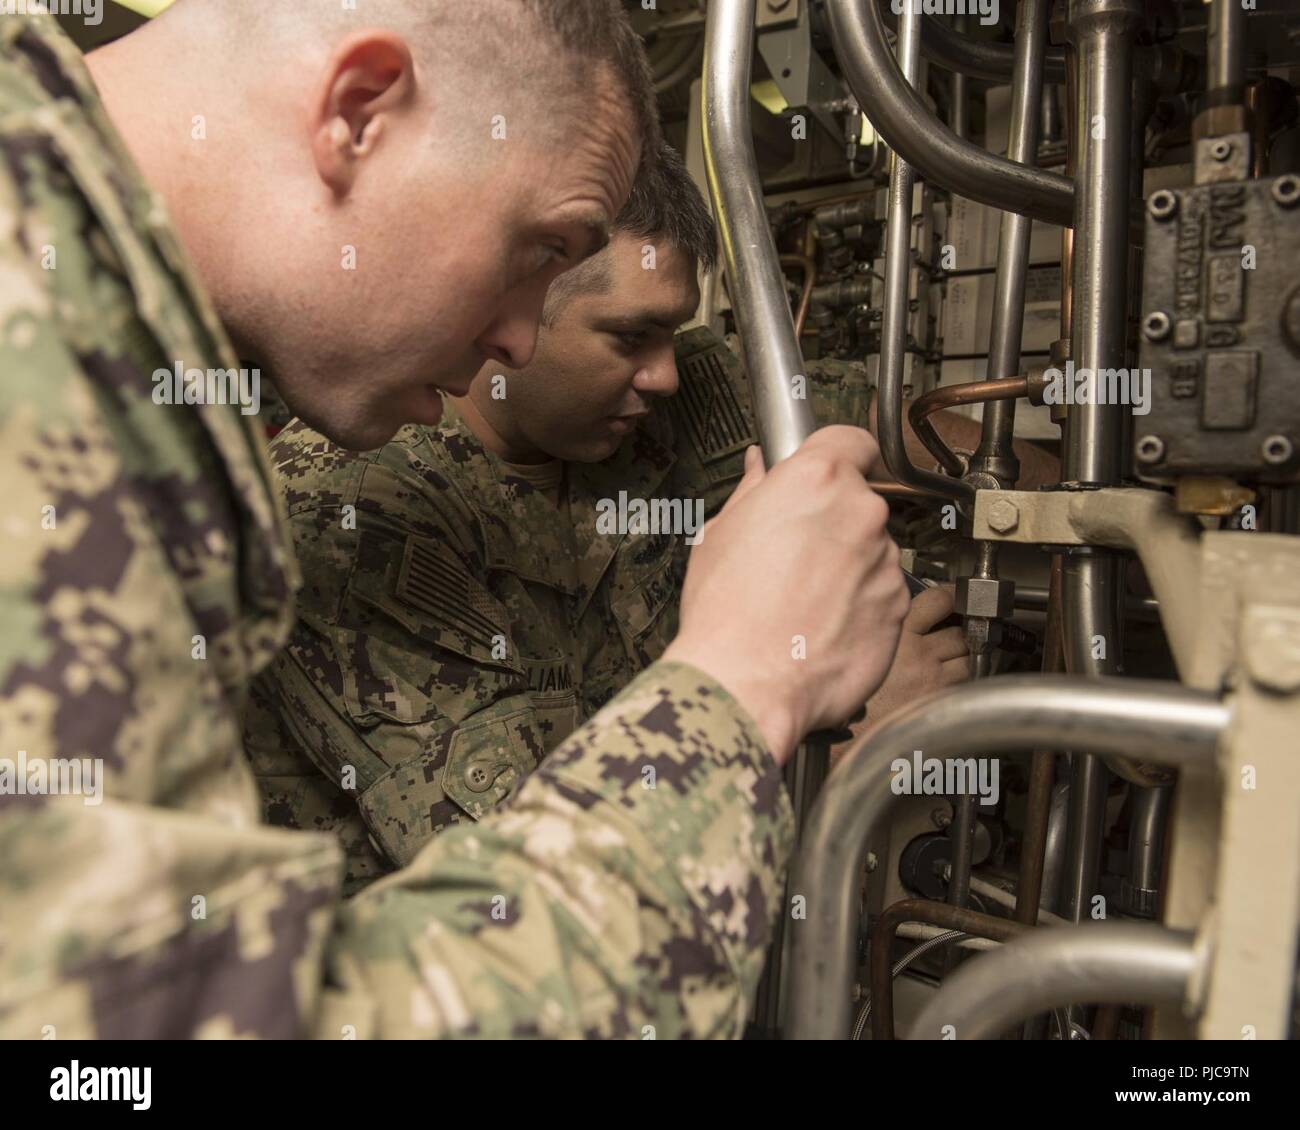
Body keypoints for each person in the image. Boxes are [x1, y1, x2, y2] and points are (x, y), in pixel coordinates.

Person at [0, 2, 908, 1038]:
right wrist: (747, 692)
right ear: (358, 113)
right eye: (536, 251)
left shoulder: (83, 305)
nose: (516, 342)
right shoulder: (35, 340)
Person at [247, 143, 1057, 892]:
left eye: (673, 330)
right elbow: (547, 891)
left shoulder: (674, 395)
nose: (666, 374)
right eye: (631, 336)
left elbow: (899, 428)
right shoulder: (353, 519)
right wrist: (845, 741)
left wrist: (1089, 515)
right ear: (508, 312)